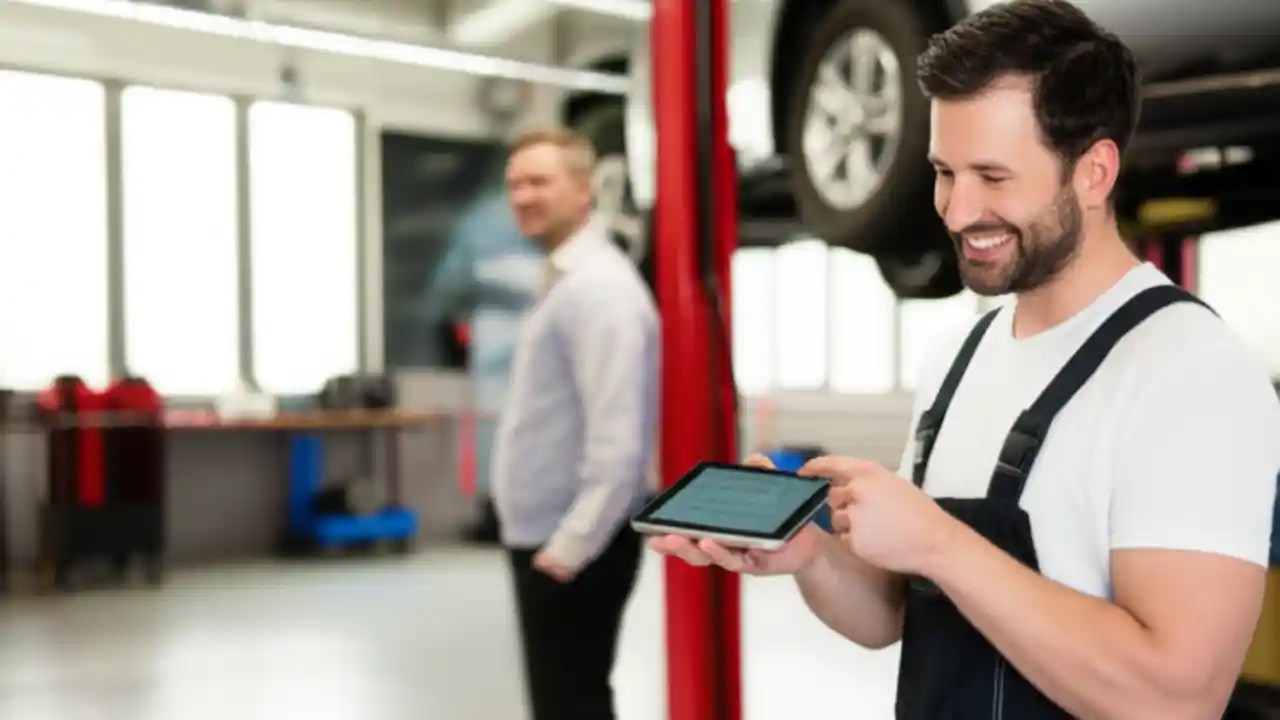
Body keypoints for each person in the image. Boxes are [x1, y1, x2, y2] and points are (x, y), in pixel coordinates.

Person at [651, 1, 1280, 718]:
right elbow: (894, 615)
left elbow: (1177, 698)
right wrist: (811, 554)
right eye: (945, 172)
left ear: (1095, 172)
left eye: (993, 176)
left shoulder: (1189, 373)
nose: (954, 210)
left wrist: (940, 542)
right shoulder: (960, 356)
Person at [491, 127, 659, 720]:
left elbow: (620, 440)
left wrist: (572, 543)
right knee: (564, 703)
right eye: (515, 183)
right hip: (548, 534)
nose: (523, 196)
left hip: (573, 542)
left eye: (539, 181)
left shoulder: (600, 291)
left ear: (584, 192)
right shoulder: (568, 279)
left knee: (573, 705)